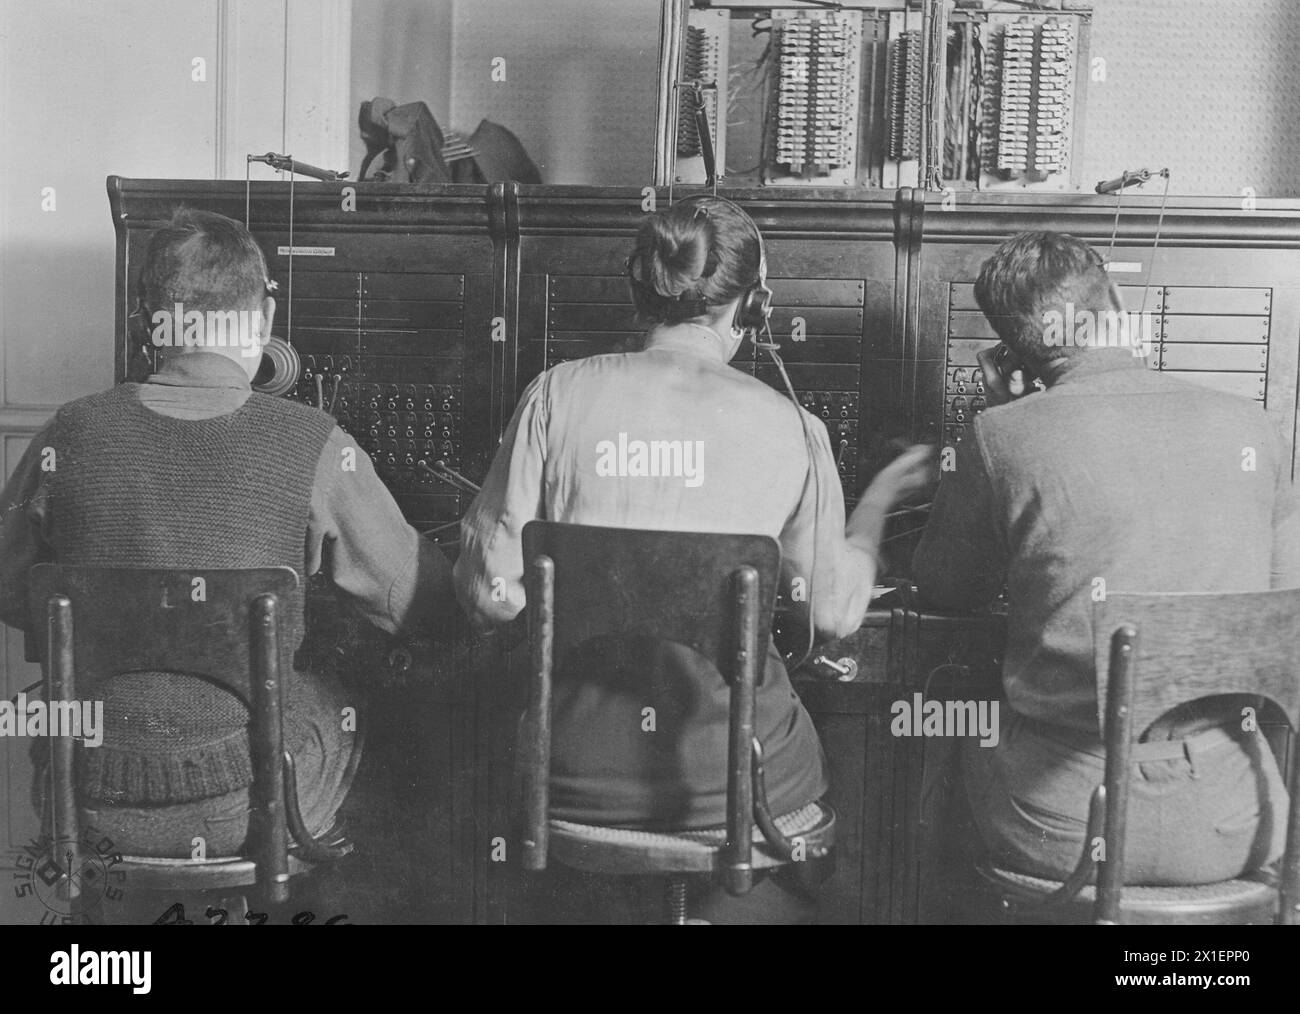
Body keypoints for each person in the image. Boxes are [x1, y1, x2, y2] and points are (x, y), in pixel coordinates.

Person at [454, 196, 930, 922]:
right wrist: (875, 511)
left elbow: (492, 594)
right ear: (756, 303)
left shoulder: (554, 396)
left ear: (642, 287)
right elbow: (831, 614)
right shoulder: (793, 429)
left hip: (571, 772)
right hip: (732, 785)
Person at [0, 209, 454, 860]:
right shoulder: (315, 445)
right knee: (355, 706)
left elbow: (13, 589)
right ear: (263, 323)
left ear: (149, 325)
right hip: (244, 802)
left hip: (85, 792)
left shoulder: (66, 435)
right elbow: (419, 603)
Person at [913, 230, 1300, 885]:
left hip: (1062, 825)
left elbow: (944, 588)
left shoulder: (1000, 434)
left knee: (942, 736)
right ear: (1117, 301)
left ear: (1013, 347)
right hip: (1236, 820)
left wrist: (1008, 418)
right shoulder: (1252, 426)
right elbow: (1283, 600)